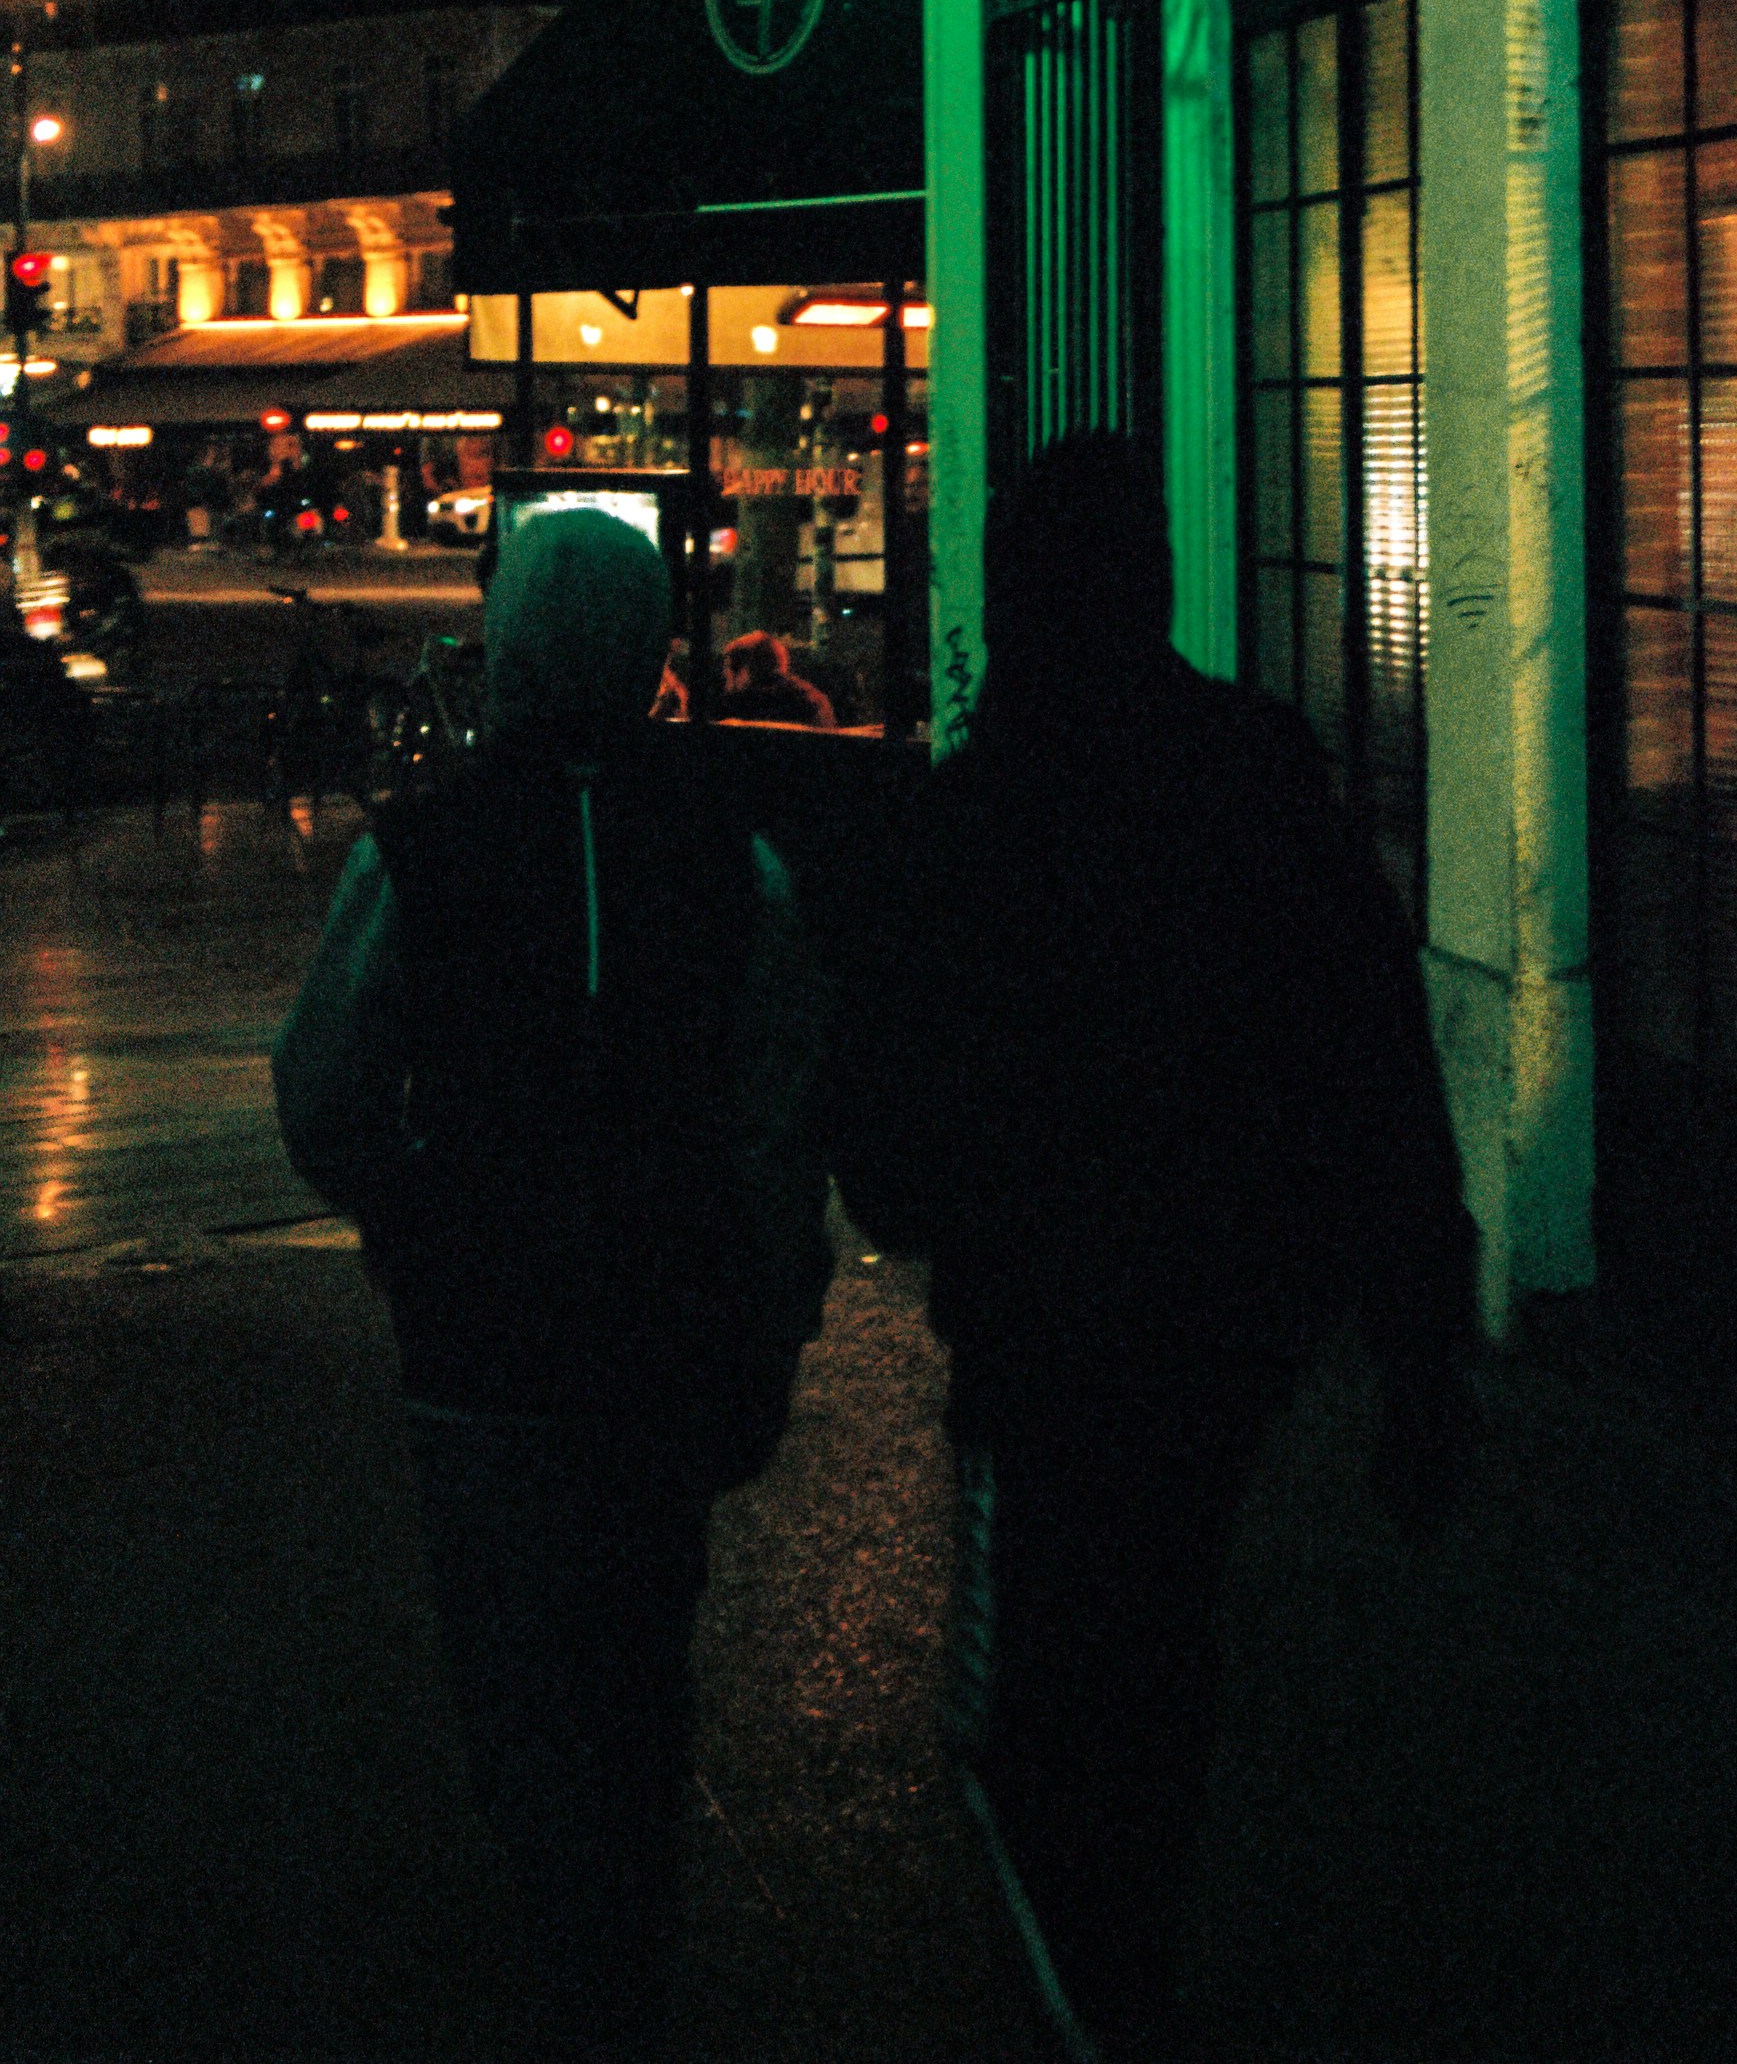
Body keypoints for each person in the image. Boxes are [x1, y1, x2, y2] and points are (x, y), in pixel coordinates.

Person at [835, 430, 1478, 2063]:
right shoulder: (1253, 769)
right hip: (1222, 1301)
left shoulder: (970, 808)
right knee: (1162, 1604)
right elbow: (1372, 1061)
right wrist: (1420, 1335)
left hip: (1042, 1305)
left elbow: (890, 1121)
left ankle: (1084, 1952)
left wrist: (949, 1203)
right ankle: (1134, 1927)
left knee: (1056, 1625)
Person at [272, 508, 831, 2060]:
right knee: (644, 1650)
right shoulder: (733, 854)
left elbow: (324, 1090)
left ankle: (555, 1935)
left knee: (509, 1655)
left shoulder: (420, 847)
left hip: (482, 1346)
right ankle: (627, 1950)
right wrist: (777, 1310)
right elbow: (777, 1115)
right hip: (667, 1333)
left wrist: (410, 1213)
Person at [719, 626, 834, 729]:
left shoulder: (744, 708)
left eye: (727, 667)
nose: (724, 674)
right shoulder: (814, 700)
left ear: (744, 670)